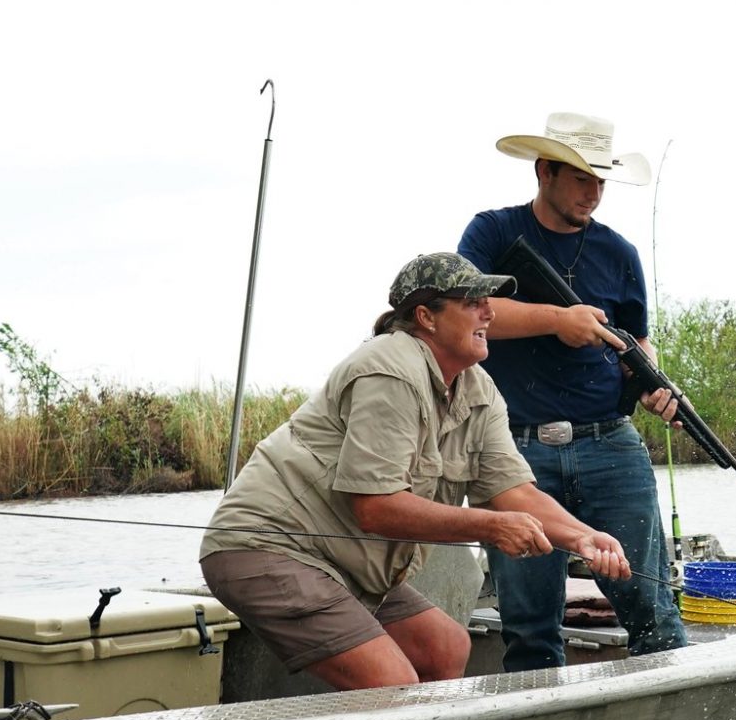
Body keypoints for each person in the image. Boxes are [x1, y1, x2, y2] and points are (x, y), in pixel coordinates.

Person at [199, 251, 631, 692]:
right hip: (265, 547)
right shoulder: (388, 367)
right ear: (426, 317)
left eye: (489, 301)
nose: (489, 311)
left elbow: (513, 492)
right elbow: (375, 508)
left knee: (444, 647)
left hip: (344, 565)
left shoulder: (479, 388)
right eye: (472, 301)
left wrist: (583, 537)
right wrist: (491, 527)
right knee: (390, 680)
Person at [458, 112, 688, 672]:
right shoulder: (491, 232)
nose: (594, 193)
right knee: (530, 627)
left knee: (654, 611)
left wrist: (652, 382)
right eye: (582, 178)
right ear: (544, 172)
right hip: (513, 453)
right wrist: (558, 320)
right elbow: (467, 312)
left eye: (601, 180)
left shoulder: (620, 253)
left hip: (610, 444)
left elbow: (637, 341)